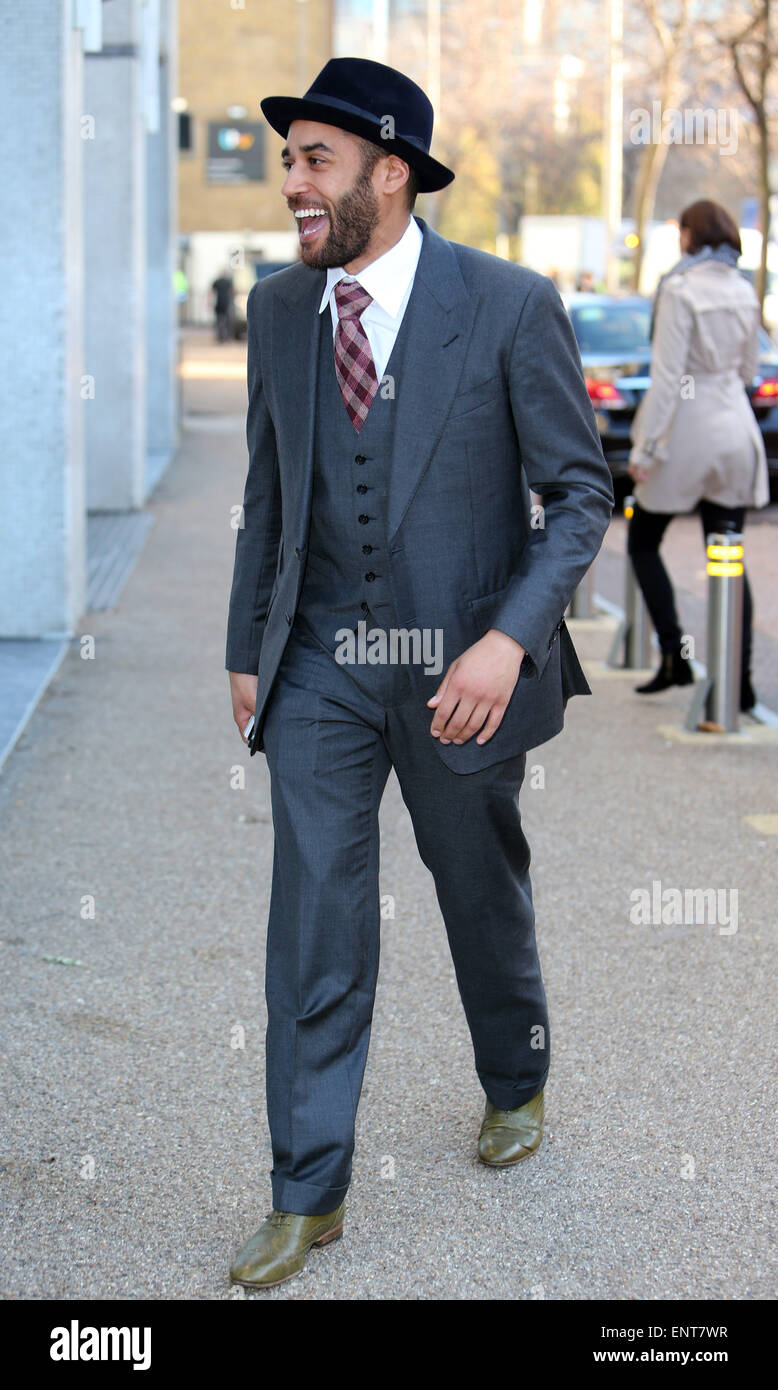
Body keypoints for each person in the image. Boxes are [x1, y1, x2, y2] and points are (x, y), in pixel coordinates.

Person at [224, 57, 614, 1291]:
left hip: (460, 666)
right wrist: (247, 644)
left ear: (388, 174)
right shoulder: (285, 310)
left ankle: (517, 1073)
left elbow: (579, 493)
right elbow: (267, 491)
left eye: (313, 160)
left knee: (475, 891)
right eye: (290, 159)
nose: (292, 181)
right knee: (316, 918)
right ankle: (308, 1188)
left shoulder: (505, 303)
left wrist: (509, 639)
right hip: (320, 666)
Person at [627, 199, 769, 707]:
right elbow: (751, 371)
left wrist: (646, 448)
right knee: (727, 559)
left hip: (686, 431)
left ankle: (674, 654)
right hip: (735, 429)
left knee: (642, 541)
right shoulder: (743, 289)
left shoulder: (679, 288)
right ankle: (739, 682)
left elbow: (668, 379)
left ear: (690, 235)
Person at [211, 269, 234, 342]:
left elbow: (211, 292)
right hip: (226, 303)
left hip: (218, 302)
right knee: (227, 320)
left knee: (219, 320)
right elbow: (232, 292)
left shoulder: (216, 282)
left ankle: (220, 336)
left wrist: (208, 303)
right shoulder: (228, 282)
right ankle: (226, 336)